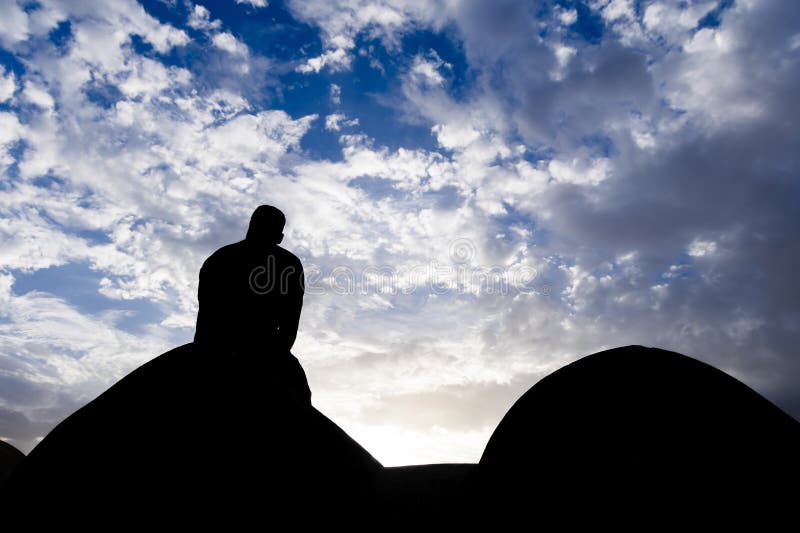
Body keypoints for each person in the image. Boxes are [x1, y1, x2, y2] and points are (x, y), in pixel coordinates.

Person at [194, 205, 310, 402]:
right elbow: (207, 315)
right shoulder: (221, 260)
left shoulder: (220, 259)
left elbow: (289, 323)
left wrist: (274, 356)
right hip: (221, 348)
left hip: (258, 349)